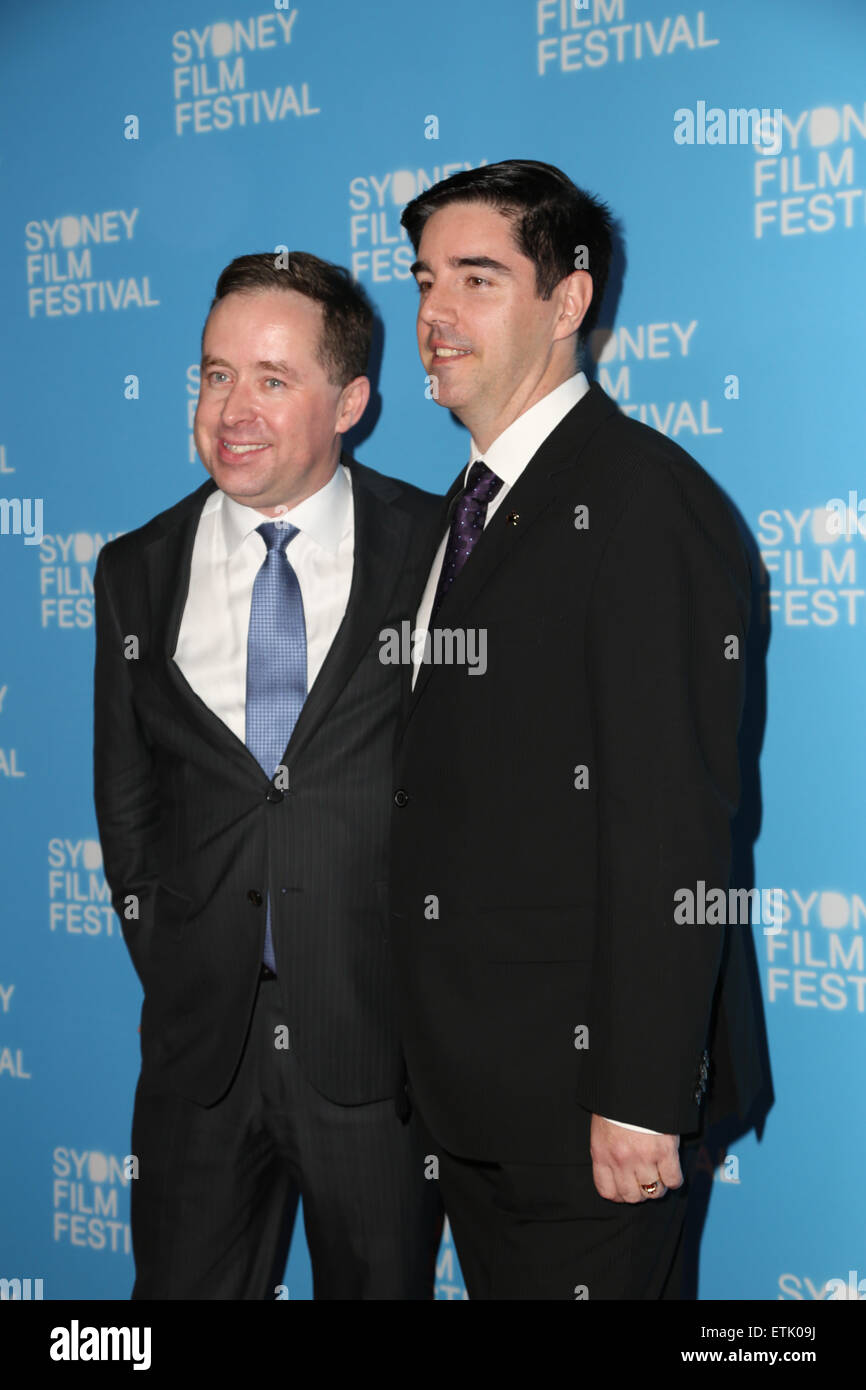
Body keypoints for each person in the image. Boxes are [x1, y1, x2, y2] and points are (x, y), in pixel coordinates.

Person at [389, 160, 765, 1299]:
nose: (435, 315)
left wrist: (643, 1091)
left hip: (591, 1114)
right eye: (422, 281)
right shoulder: (460, 511)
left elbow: (671, 823)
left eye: (477, 278)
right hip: (477, 1089)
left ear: (568, 301)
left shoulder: (641, 502)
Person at [93, 251, 442, 1300]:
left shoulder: (436, 550)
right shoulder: (135, 567)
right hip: (199, 1059)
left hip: (377, 1059)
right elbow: (128, 799)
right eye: (213, 374)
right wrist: (183, 962)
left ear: (349, 401)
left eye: (271, 379)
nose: (231, 409)